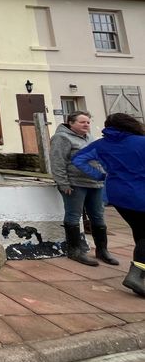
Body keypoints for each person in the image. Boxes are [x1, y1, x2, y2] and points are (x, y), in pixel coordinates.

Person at [73, 113, 145, 297]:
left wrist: (99, 175)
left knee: (140, 230)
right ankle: (136, 275)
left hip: (118, 195)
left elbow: (78, 159)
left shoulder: (101, 144)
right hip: (140, 194)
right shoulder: (141, 142)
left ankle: (141, 272)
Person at [50, 111, 118, 266]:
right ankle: (75, 251)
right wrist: (63, 183)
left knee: (98, 217)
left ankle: (102, 251)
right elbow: (57, 161)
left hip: (96, 184)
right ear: (71, 123)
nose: (86, 125)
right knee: (74, 216)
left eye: (88, 122)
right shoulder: (62, 138)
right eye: (82, 122)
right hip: (75, 184)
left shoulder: (90, 138)